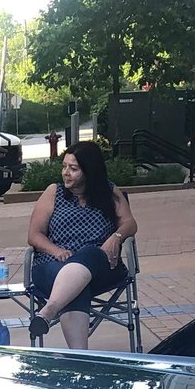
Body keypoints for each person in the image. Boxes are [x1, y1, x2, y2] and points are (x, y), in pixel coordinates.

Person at [25, 141, 138, 348]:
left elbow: (130, 223)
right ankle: (81, 357)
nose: (66, 173)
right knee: (76, 286)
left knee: (89, 253)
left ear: (90, 171)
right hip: (52, 264)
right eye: (64, 166)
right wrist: (56, 250)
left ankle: (48, 311)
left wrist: (116, 237)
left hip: (99, 264)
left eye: (73, 168)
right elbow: (34, 235)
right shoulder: (53, 192)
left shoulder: (109, 193)